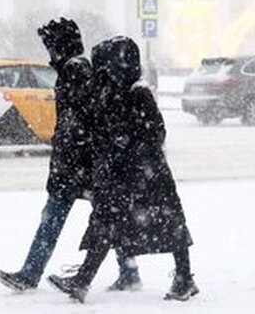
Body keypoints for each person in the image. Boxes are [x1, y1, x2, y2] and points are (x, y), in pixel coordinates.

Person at [48, 36, 198, 303]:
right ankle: (83, 280)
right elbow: (97, 123)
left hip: (146, 175)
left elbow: (156, 132)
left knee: (168, 225)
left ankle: (184, 278)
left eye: (106, 66)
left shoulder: (138, 92)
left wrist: (128, 146)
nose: (102, 72)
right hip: (121, 173)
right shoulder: (110, 92)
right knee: (106, 223)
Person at [0, 18, 139, 293]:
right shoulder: (75, 68)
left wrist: (69, 154)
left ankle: (30, 274)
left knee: (58, 219)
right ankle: (129, 273)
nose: (48, 52)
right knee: (109, 219)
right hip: (81, 164)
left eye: (50, 46)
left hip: (76, 166)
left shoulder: (75, 70)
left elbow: (81, 120)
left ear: (61, 46)